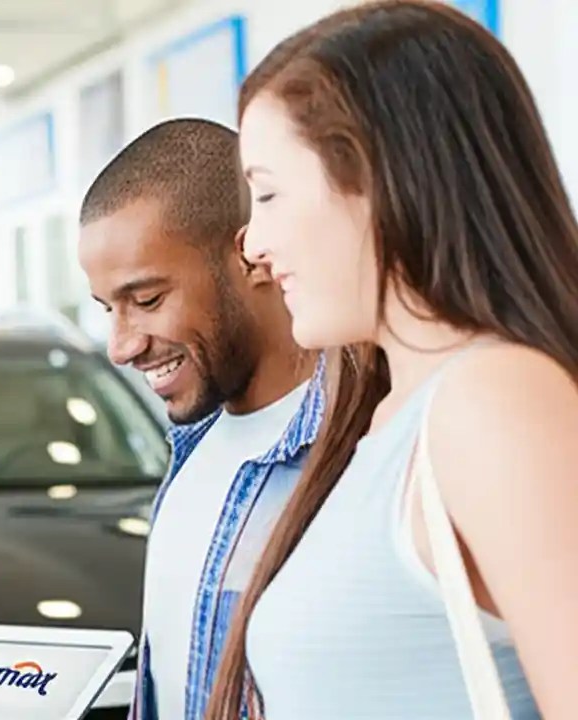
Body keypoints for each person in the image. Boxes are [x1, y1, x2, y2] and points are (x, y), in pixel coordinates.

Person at [208, 1, 578, 718]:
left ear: (379, 179)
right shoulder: (385, 416)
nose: (253, 244)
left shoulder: (492, 400)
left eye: (270, 193)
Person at [78, 118, 320, 720]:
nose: (121, 347)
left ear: (252, 256)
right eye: (109, 309)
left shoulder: (362, 454)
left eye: (147, 300)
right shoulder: (194, 448)